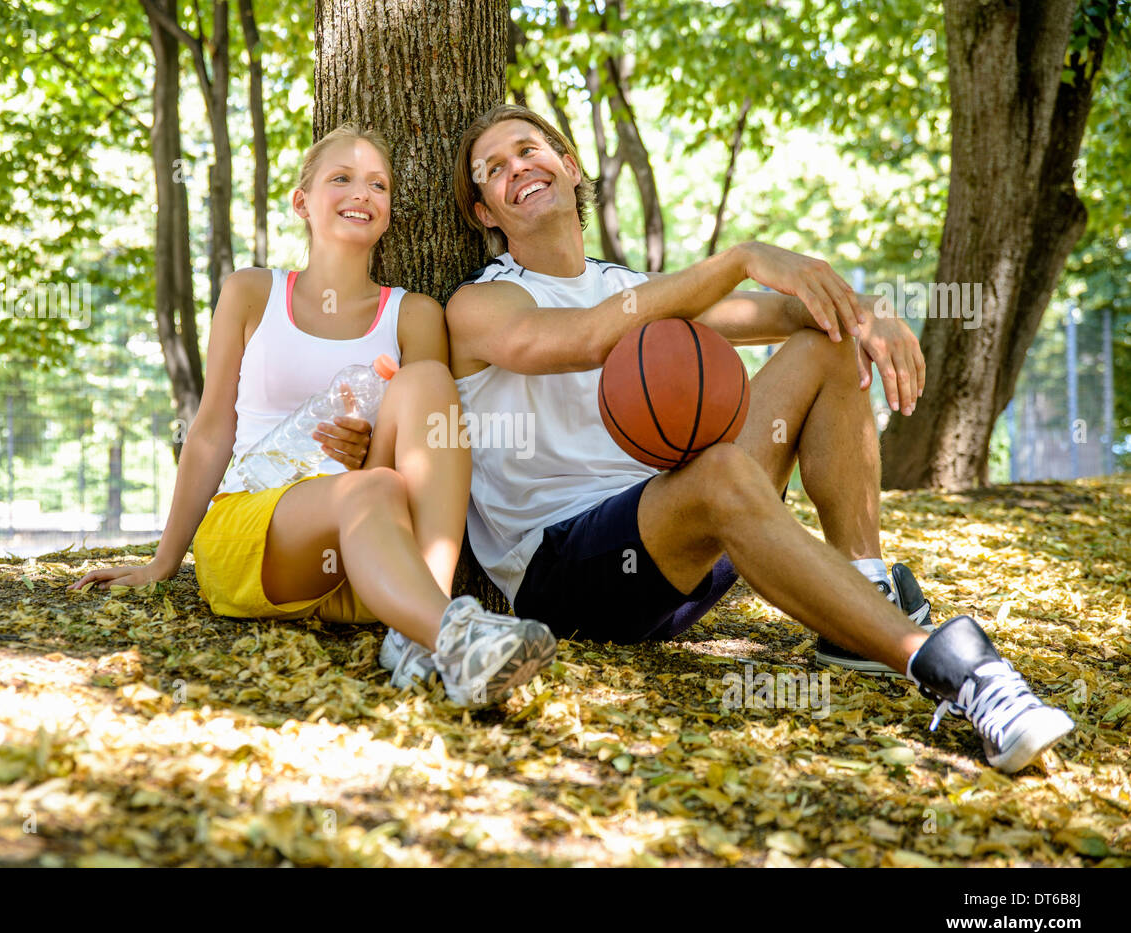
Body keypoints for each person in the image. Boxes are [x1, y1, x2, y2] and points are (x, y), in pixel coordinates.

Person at [435, 104, 1072, 772]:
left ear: (567, 166)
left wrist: (865, 314)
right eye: (495, 171)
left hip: (680, 540)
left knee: (825, 343)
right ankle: (955, 669)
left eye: (529, 151)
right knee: (717, 472)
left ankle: (863, 587)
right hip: (569, 572)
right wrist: (743, 257)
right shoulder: (481, 302)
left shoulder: (632, 286)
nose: (519, 171)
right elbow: (587, 336)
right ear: (485, 213)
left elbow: (784, 310)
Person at [69, 122, 556, 708]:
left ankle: (417, 630)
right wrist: (163, 561)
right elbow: (211, 430)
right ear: (302, 202)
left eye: (378, 185)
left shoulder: (414, 313)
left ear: (390, 210)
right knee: (368, 490)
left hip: (369, 562)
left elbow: (422, 453)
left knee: (424, 386)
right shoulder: (251, 292)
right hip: (257, 538)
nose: (362, 194)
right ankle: (454, 634)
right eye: (342, 178)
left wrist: (368, 445)